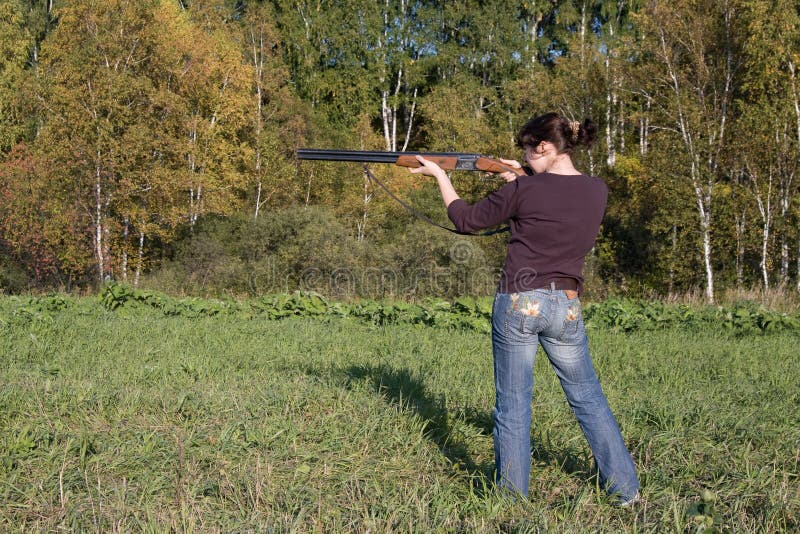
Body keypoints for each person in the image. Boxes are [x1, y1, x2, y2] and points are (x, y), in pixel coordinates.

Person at [409, 112, 640, 506]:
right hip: (567, 305)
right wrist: (522, 175)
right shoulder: (597, 189)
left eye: (528, 149)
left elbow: (466, 220)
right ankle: (625, 490)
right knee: (588, 398)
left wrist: (440, 176)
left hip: (520, 301)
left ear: (544, 146)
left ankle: (512, 499)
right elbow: (556, 198)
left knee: (514, 404)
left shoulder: (524, 189)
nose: (525, 155)